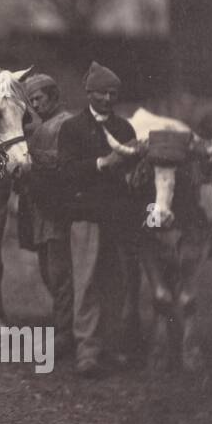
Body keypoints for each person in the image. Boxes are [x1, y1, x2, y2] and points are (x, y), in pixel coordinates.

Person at [55, 61, 141, 377]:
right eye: (102, 93)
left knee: (115, 282)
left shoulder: (125, 129)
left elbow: (132, 172)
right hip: (86, 217)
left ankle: (111, 346)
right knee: (87, 282)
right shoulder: (72, 128)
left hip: (117, 219)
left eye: (113, 93)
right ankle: (87, 351)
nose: (108, 98)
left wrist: (135, 174)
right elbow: (66, 172)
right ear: (89, 93)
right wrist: (104, 163)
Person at [18, 73, 76, 359]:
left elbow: (66, 165)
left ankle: (66, 333)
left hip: (57, 210)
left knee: (59, 273)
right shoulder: (37, 127)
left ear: (53, 97)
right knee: (47, 272)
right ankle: (66, 326)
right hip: (37, 211)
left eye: (38, 99)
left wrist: (33, 165)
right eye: (30, 101)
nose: (35, 105)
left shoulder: (67, 124)